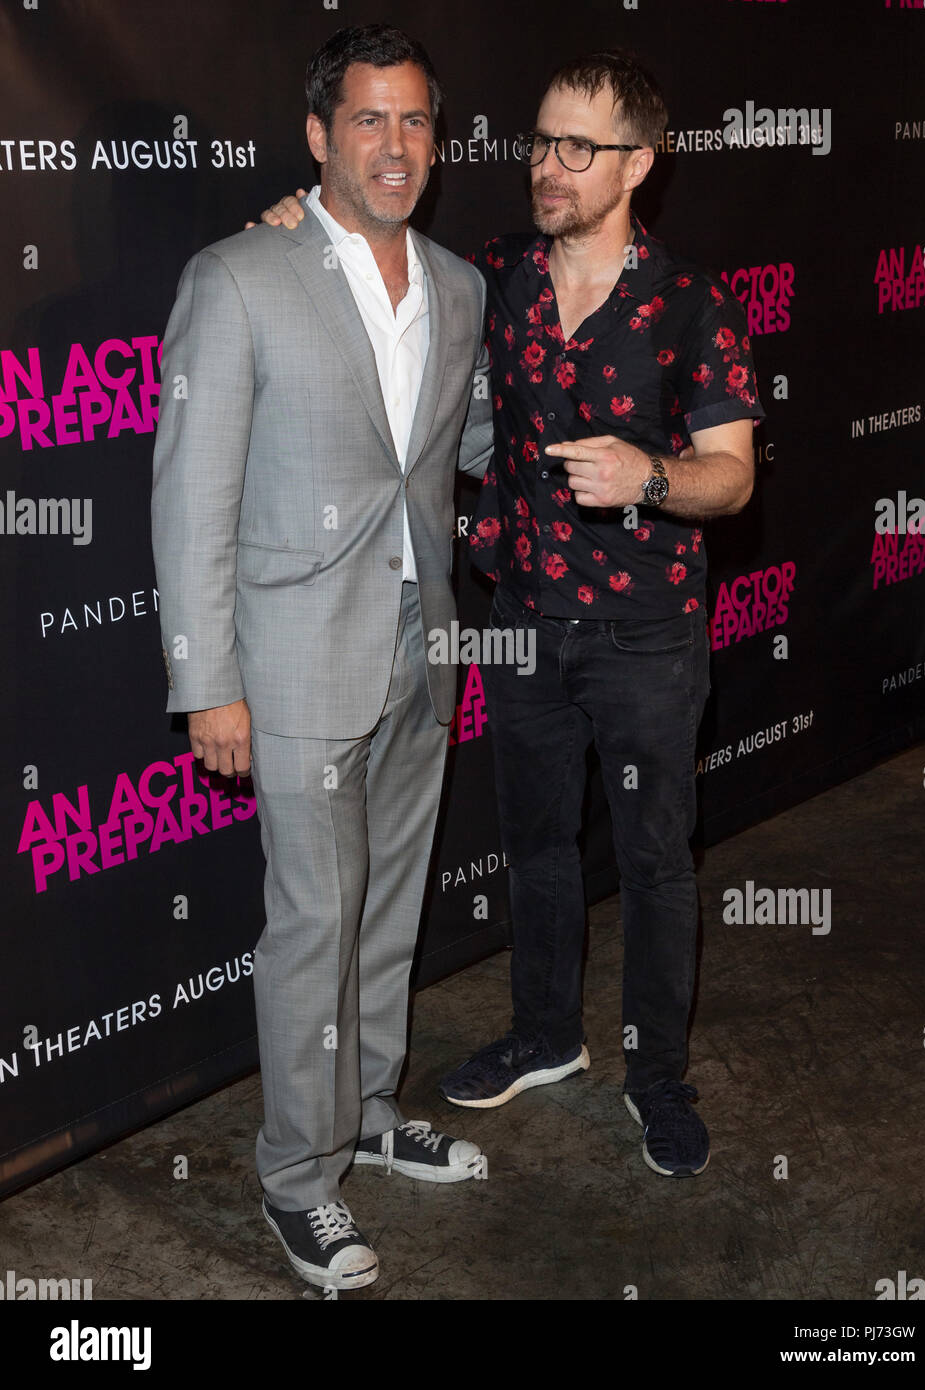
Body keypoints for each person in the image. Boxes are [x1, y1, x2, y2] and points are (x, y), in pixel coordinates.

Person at [259, 49, 762, 1181]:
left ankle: (656, 1078)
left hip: (646, 636)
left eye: (578, 148)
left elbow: (731, 477)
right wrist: (299, 217)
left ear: (638, 162)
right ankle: (543, 1035)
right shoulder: (491, 278)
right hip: (520, 622)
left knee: (653, 861)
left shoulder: (690, 305)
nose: (548, 166)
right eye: (541, 141)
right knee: (534, 847)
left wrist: (649, 475)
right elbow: (361, 268)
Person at [151, 24, 493, 1293]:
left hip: (420, 648)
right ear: (317, 136)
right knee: (313, 922)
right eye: (368, 120)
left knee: (387, 904)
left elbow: (465, 451)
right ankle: (299, 1176)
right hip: (290, 666)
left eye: (414, 123)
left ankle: (366, 1109)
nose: (394, 146)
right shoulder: (240, 274)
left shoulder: (458, 287)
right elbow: (191, 496)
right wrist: (208, 681)